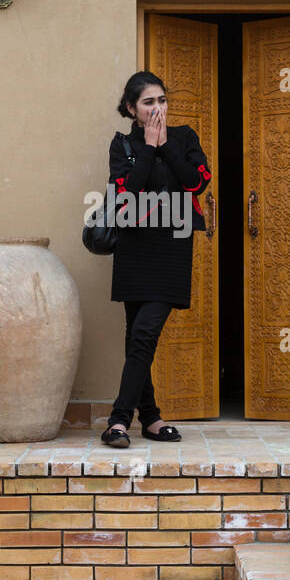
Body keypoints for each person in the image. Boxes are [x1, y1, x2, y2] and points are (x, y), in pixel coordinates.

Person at [101, 72, 212, 448]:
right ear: (132, 109)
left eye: (162, 100)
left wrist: (165, 146)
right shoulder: (124, 145)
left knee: (145, 332)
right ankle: (150, 418)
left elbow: (196, 183)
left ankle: (118, 420)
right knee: (137, 337)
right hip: (135, 248)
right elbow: (126, 195)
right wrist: (148, 146)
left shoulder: (184, 138)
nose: (158, 108)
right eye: (149, 103)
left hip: (172, 246)